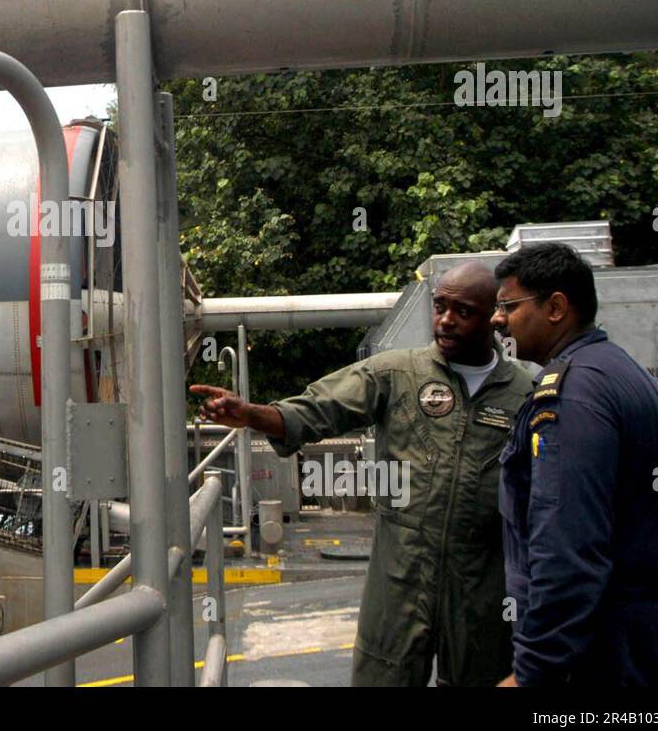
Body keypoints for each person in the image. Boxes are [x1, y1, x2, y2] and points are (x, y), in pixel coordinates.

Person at [192, 262, 532, 686]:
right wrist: (252, 414)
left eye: (463, 311)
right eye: (440, 306)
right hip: (400, 577)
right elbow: (318, 408)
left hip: (483, 585)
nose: (445, 320)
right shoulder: (396, 374)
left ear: (493, 316)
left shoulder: (524, 395)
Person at [492, 242, 658, 686]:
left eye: (508, 305)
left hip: (598, 652)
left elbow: (567, 544)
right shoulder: (614, 369)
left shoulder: (573, 393)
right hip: (641, 641)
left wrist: (533, 670)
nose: (497, 318)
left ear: (556, 307)